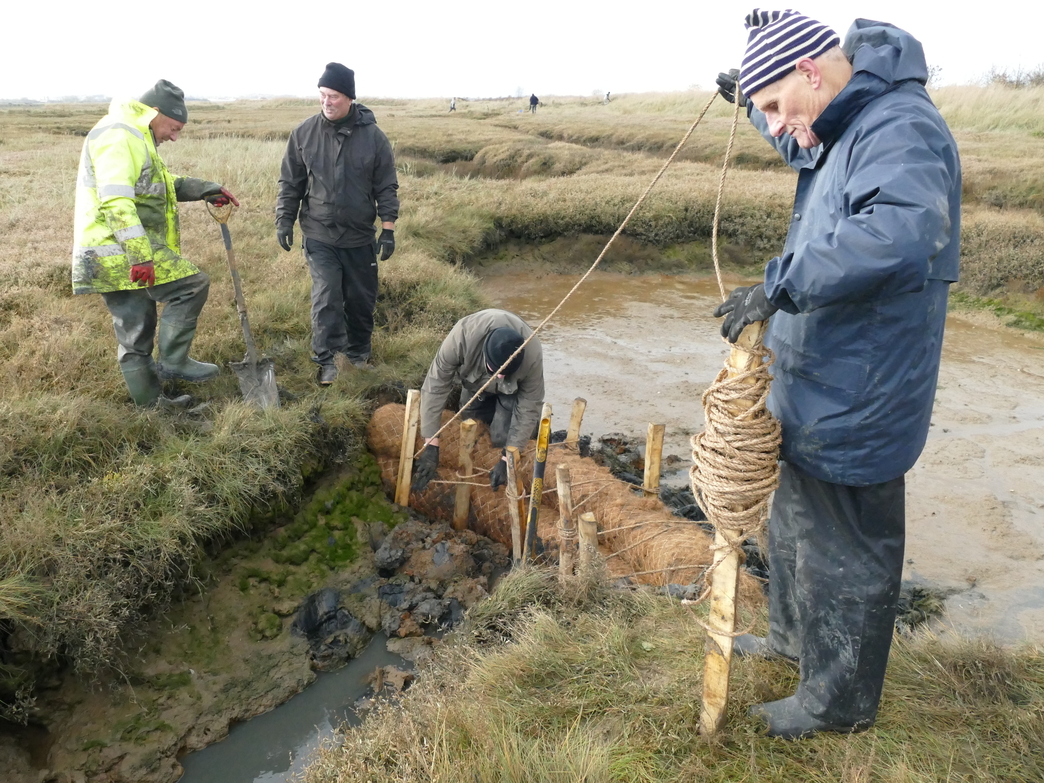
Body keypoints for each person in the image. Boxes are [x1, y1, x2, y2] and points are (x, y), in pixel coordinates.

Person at [712, 10, 960, 740]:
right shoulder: (841, 116)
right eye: (764, 112)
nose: (779, 126)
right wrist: (750, 104)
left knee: (846, 546)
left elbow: (897, 233)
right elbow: (802, 140)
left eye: (775, 105)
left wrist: (780, 284)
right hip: (819, 376)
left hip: (865, 387)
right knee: (796, 527)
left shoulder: (901, 127)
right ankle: (793, 643)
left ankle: (838, 702)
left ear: (811, 71)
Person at [72, 79, 239, 408]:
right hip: (117, 250)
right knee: (191, 285)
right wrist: (140, 256)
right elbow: (116, 201)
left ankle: (153, 408)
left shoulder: (135, 135)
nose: (174, 137)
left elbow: (156, 184)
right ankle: (174, 362)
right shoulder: (119, 135)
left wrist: (205, 189)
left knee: (136, 330)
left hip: (116, 250)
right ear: (155, 112)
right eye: (174, 128)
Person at [276, 62, 400, 385]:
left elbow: (386, 186)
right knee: (327, 295)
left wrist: (388, 229)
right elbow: (290, 183)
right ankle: (328, 360)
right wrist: (284, 220)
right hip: (319, 233)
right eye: (322, 95)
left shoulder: (374, 138)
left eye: (333, 96)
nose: (326, 102)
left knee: (360, 299)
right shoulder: (303, 134)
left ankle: (357, 356)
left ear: (349, 98)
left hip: (359, 236)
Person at [411, 309, 544, 493]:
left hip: (510, 391)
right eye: (496, 371)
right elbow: (436, 386)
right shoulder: (461, 337)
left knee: (501, 437)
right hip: (475, 384)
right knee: (471, 428)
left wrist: (508, 458)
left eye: (504, 373)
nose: (499, 376)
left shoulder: (532, 355)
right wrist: (431, 443)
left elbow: (529, 406)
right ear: (485, 354)